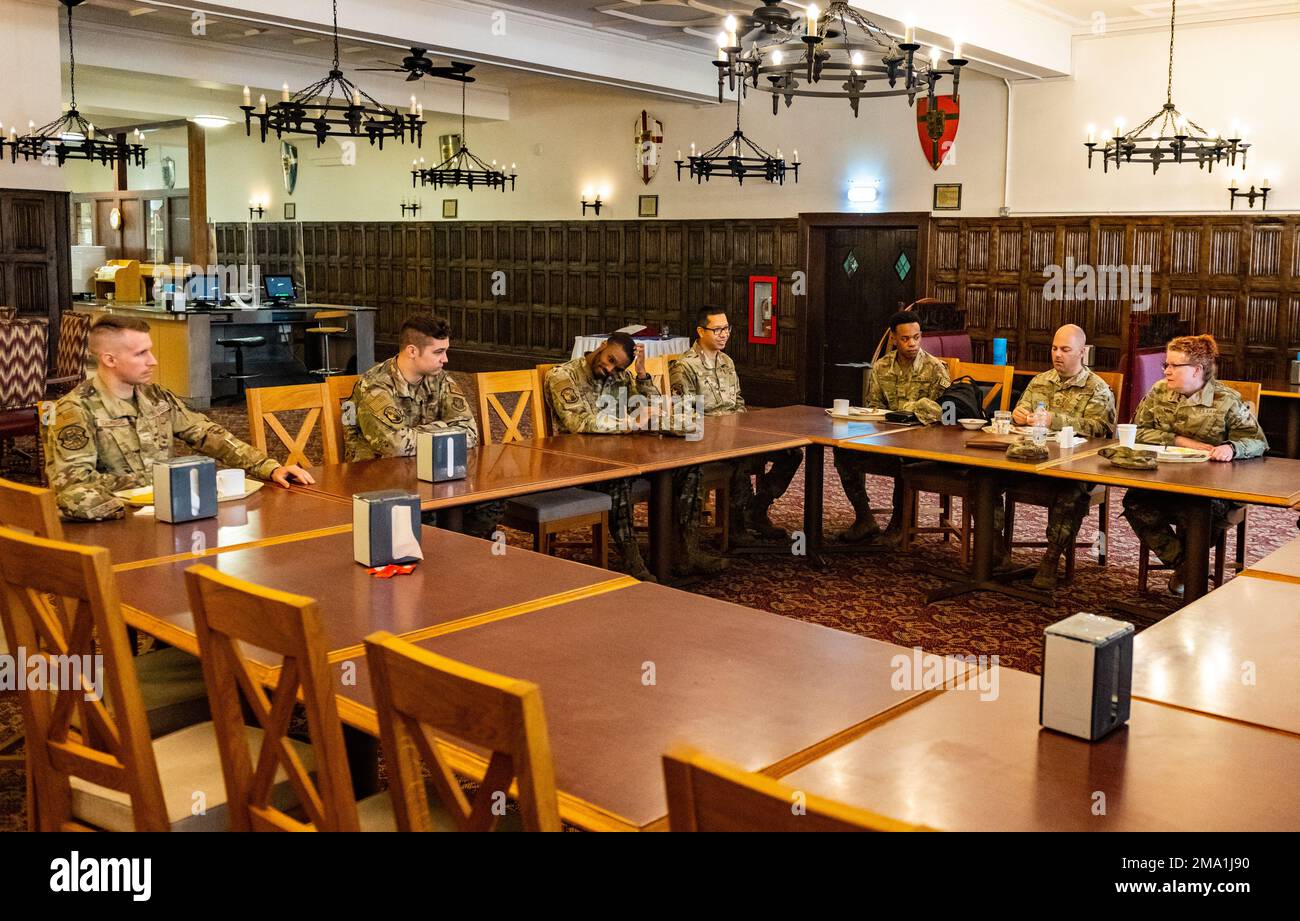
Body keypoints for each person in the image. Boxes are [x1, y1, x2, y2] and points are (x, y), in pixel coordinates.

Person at [45, 314, 314, 521]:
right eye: (141, 354)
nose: (153, 361)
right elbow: (72, 487)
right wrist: (159, 484)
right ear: (109, 359)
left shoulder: (155, 397)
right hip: (111, 526)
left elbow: (209, 434)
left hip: (169, 515)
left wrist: (269, 467)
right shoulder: (73, 411)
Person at [544, 332, 726, 580]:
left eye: (616, 366)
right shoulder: (563, 375)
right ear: (602, 345)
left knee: (688, 468)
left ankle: (687, 553)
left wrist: (641, 375)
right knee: (618, 478)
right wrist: (630, 422)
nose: (608, 368)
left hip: (622, 454)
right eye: (609, 359)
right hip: (578, 461)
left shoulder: (619, 376)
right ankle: (633, 563)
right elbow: (579, 422)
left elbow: (651, 407)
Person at [1122, 334, 1269, 597]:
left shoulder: (1226, 400)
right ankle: (1187, 566)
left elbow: (1257, 441)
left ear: (1197, 370)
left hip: (1211, 489)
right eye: (1165, 365)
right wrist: (1180, 440)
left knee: (1200, 512)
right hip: (1165, 481)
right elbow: (1138, 432)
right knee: (1134, 501)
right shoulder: (1158, 392)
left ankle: (1188, 570)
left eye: (1173, 366)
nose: (1166, 371)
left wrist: (1232, 448)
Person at [344, 315, 502, 540]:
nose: (445, 359)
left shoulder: (439, 379)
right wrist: (443, 429)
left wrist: (424, 435)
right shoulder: (376, 386)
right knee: (427, 506)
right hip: (379, 477)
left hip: (430, 469)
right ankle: (439, 557)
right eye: (438, 352)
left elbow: (470, 432)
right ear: (412, 351)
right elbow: (395, 447)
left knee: (489, 499)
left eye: (446, 351)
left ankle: (460, 555)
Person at [670, 305, 801, 545]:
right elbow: (684, 414)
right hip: (708, 440)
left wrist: (744, 429)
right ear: (701, 331)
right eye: (717, 329)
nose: (724, 334)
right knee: (739, 457)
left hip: (738, 431)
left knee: (792, 453)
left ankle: (757, 508)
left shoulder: (726, 362)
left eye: (726, 328)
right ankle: (736, 524)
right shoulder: (685, 367)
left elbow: (739, 402)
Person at [1009, 324, 1117, 590]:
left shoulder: (1097, 389)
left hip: (1076, 465)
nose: (1058, 354)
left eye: (1065, 349)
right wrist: (1019, 415)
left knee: (1069, 491)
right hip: (1034, 459)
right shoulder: (1041, 381)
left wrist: (1054, 420)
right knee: (985, 474)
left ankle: (1051, 558)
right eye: (1055, 348)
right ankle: (995, 553)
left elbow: (1101, 429)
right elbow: (1021, 407)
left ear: (1082, 352)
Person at [832, 310, 950, 544]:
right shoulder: (882, 367)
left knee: (902, 459)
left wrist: (914, 408)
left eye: (916, 337)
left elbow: (946, 412)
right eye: (905, 339)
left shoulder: (935, 368)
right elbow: (873, 406)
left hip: (922, 444)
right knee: (844, 451)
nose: (912, 344)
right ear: (894, 339)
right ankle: (864, 518)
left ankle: (899, 523)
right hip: (886, 437)